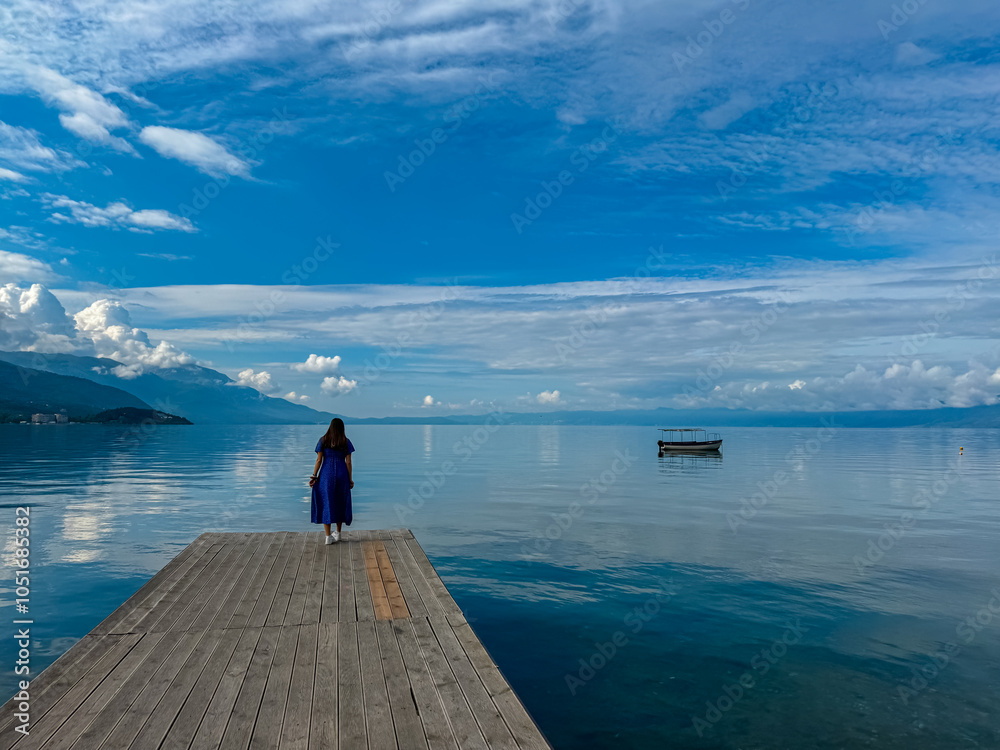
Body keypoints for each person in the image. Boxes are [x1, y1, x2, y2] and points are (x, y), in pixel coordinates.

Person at [309, 418, 355, 543]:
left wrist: (314, 476)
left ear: (330, 427)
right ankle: (338, 533)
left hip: (326, 475)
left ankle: (328, 537)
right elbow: (349, 462)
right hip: (342, 474)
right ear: (342, 428)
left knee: (326, 501)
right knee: (340, 501)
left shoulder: (323, 440)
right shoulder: (346, 441)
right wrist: (350, 479)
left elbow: (319, 460)